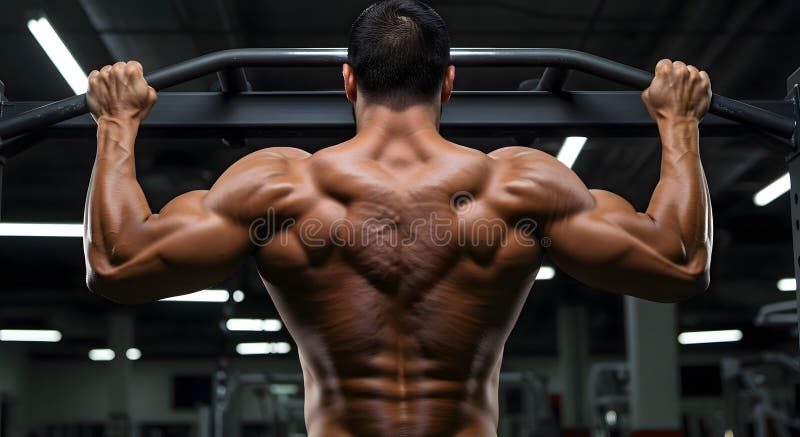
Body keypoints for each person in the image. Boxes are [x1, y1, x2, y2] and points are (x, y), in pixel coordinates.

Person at [83, 0, 712, 435]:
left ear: (349, 81)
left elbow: (116, 264)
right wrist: (678, 124)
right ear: (448, 83)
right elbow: (680, 264)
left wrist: (116, 123)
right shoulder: (520, 186)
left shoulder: (279, 188)